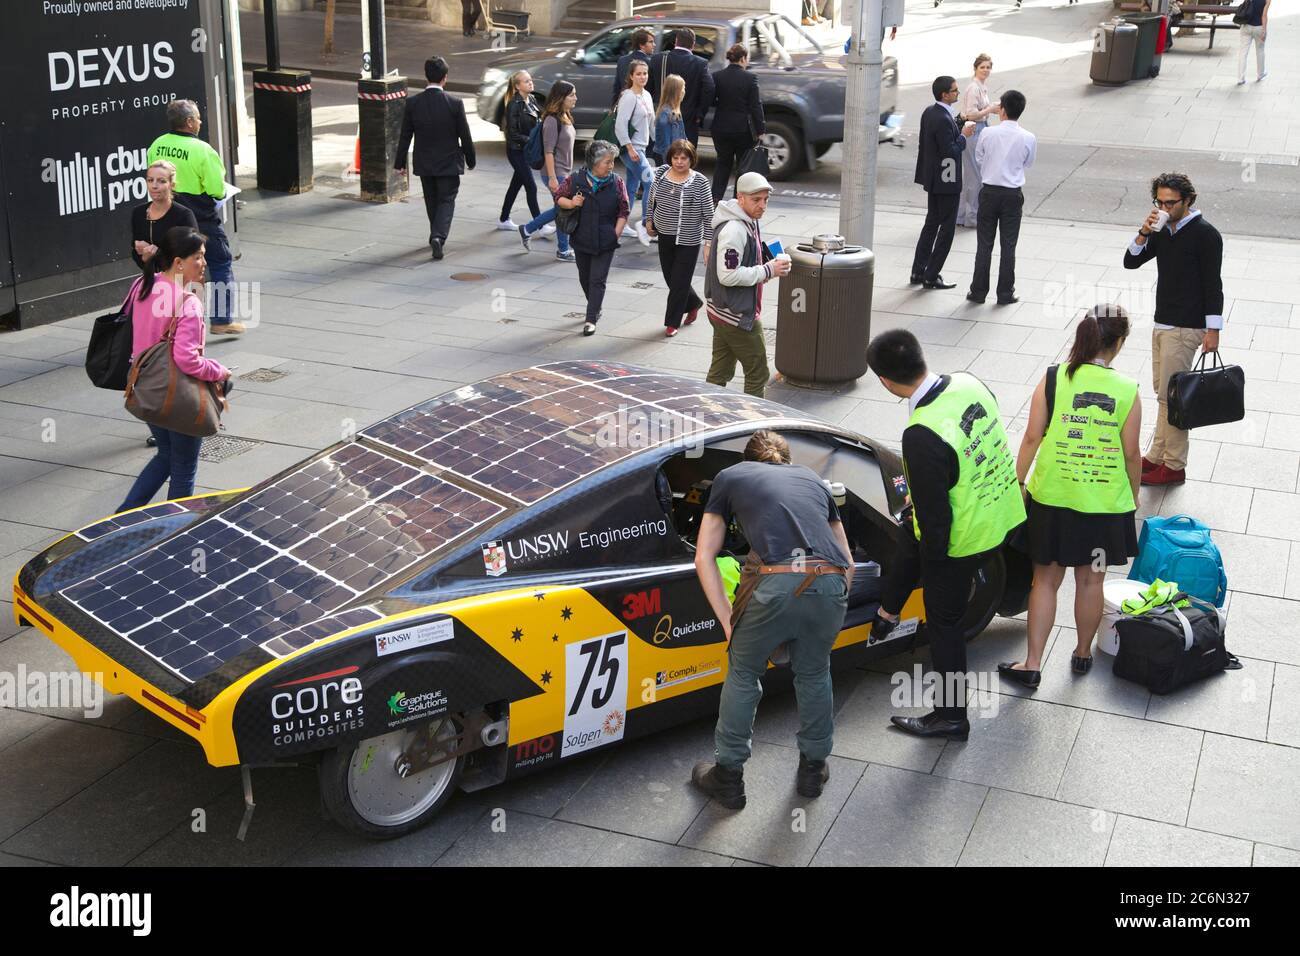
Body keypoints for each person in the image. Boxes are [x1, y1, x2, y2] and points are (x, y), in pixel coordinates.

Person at [865, 330, 1025, 740]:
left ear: (885, 381)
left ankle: (951, 716)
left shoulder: (920, 434)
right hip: (1002, 515)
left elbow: (933, 525)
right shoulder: (969, 381)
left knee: (946, 627)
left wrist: (931, 575)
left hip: (964, 540)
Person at [690, 431, 853, 809]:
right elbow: (847, 557)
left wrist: (728, 621)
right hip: (829, 581)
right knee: (814, 672)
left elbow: (704, 557)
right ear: (786, 458)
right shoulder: (812, 479)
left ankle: (728, 778)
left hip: (774, 581)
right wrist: (834, 606)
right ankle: (813, 769)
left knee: (744, 673)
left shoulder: (731, 476)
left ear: (749, 459)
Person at [1004, 305, 1142, 686]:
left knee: (1045, 582)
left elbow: (1032, 436)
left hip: (1052, 499)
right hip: (1104, 505)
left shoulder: (1053, 378)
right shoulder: (1127, 390)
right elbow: (1131, 453)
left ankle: (1032, 664)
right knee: (1091, 582)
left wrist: (1018, 481)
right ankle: (1082, 653)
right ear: (1119, 343)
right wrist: (1131, 495)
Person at [119, 227, 230, 511]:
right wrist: (220, 371)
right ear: (178, 262)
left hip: (145, 388)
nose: (203, 263)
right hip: (178, 395)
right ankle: (175, 532)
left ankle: (124, 515)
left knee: (166, 455)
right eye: (198, 257)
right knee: (183, 468)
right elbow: (187, 361)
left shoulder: (141, 285)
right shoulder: (187, 302)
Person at [1123, 172, 1223, 486]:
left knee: (1174, 398)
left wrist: (1213, 330)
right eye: (1160, 201)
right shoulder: (1164, 231)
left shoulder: (1206, 235)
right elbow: (1130, 262)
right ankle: (1156, 456)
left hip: (1186, 326)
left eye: (1171, 202)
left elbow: (1213, 285)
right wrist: (1143, 231)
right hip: (1162, 322)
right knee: (1164, 395)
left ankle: (1175, 465)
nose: (1165, 207)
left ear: (1188, 200)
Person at [148, 99, 242, 334]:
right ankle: (221, 320)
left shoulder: (157, 145)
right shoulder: (203, 150)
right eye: (198, 117)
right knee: (220, 262)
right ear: (189, 122)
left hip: (169, 216)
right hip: (201, 218)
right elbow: (216, 189)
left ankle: (172, 323)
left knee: (175, 269)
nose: (200, 121)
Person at [704, 171, 791, 397]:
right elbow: (728, 275)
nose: (762, 205)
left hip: (722, 310)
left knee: (720, 370)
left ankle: (709, 414)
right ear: (740, 198)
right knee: (758, 373)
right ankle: (755, 426)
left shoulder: (746, 219)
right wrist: (768, 270)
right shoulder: (734, 230)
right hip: (737, 315)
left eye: (765, 199)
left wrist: (767, 267)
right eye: (756, 200)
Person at [396, 56, 477, 261]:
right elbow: (465, 135)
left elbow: (405, 135)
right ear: (445, 78)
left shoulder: (413, 103)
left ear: (426, 76)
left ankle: (435, 234)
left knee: (432, 200)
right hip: (448, 163)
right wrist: (470, 159)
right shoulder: (454, 103)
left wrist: (399, 164)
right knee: (447, 199)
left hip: (425, 162)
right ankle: (438, 236)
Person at [966, 89, 1035, 307]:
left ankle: (978, 291)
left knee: (984, 244)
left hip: (989, 192)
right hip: (1012, 194)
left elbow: (979, 158)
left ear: (1001, 110)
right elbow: (1028, 163)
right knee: (1008, 245)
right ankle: (1005, 292)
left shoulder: (988, 133)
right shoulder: (1028, 137)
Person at [554, 140, 629, 336]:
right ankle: (595, 305)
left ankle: (591, 318)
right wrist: (571, 203)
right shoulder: (575, 180)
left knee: (598, 279)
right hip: (582, 237)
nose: (611, 165)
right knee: (584, 276)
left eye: (612, 161)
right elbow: (558, 197)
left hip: (606, 240)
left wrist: (616, 233)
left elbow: (624, 210)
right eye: (607, 162)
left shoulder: (617, 182)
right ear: (594, 163)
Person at [911, 76, 974, 290]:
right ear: (944, 95)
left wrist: (958, 124)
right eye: (955, 91)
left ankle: (918, 271)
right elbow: (951, 151)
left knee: (931, 224)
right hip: (947, 181)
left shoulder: (930, 113)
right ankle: (932, 275)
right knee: (946, 229)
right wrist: (963, 135)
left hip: (933, 179)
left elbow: (938, 140)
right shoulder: (942, 118)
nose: (958, 93)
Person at [646, 139, 714, 337]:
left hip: (688, 240)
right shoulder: (661, 173)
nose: (679, 162)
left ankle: (672, 323)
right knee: (672, 280)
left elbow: (709, 215)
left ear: (691, 159)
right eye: (676, 158)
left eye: (684, 158)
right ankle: (693, 303)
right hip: (664, 235)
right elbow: (652, 198)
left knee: (679, 282)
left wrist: (708, 243)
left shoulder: (700, 181)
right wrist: (649, 219)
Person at [519, 81, 577, 262]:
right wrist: (552, 178)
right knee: (564, 210)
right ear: (561, 97)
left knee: (561, 209)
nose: (576, 98)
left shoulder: (565, 116)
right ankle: (562, 249)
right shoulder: (552, 120)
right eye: (572, 95)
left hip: (563, 172)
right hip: (554, 173)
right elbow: (548, 151)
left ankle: (527, 229)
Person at [709, 44, 765, 204]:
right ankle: (737, 200)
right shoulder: (750, 78)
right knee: (742, 166)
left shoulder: (717, 76)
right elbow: (756, 105)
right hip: (743, 129)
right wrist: (761, 129)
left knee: (722, 162)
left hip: (720, 127)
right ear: (743, 59)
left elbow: (712, 100)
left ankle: (715, 198)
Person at [647, 27, 715, 146]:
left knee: (663, 154)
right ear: (693, 44)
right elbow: (709, 88)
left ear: (676, 41)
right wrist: (700, 113)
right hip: (688, 117)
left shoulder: (658, 59)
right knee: (684, 155)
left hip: (661, 114)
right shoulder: (700, 63)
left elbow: (648, 87)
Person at [614, 59, 656, 247]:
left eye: (645, 73)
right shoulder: (629, 96)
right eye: (638, 74)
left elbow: (651, 124)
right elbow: (620, 125)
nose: (642, 77)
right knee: (651, 183)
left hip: (641, 148)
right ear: (631, 76)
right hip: (631, 148)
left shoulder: (646, 95)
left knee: (631, 188)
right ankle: (645, 222)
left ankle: (619, 227)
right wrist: (629, 148)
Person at [131, 160, 197, 271]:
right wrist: (144, 258)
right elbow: (135, 251)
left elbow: (192, 256)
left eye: (161, 181)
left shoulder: (183, 215)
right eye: (150, 180)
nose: (154, 186)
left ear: (172, 185)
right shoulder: (138, 213)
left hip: (180, 281)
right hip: (152, 280)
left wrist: (156, 254)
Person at [956, 54, 997, 228]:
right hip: (974, 129)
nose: (986, 70)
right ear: (975, 68)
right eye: (983, 67)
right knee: (975, 176)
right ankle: (971, 217)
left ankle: (962, 216)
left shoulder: (981, 87)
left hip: (979, 129)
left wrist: (989, 109)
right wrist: (990, 109)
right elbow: (971, 114)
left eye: (988, 67)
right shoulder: (974, 88)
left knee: (973, 175)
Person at [497, 70, 541, 232]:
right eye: (526, 81)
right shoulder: (513, 105)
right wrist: (532, 140)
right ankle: (539, 224)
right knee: (531, 186)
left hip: (526, 151)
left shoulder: (532, 99)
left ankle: (503, 219)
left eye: (530, 80)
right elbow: (513, 134)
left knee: (515, 185)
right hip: (516, 151)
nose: (530, 83)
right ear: (517, 86)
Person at [651, 75, 687, 166]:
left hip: (675, 155)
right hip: (668, 159)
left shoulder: (675, 111)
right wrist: (673, 164)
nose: (684, 91)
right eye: (682, 88)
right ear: (676, 92)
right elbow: (665, 145)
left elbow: (682, 137)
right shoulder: (666, 114)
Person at [613, 28, 656, 104]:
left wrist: (615, 106)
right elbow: (653, 89)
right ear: (641, 45)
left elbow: (617, 88)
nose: (654, 45)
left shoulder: (622, 60)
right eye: (651, 42)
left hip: (624, 103)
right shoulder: (650, 63)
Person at [1238, 0, 1270, 85]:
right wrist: (1264, 30)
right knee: (1260, 51)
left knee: (1243, 52)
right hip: (1259, 27)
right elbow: (1264, 15)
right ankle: (1260, 74)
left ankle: (1241, 78)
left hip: (1246, 26)